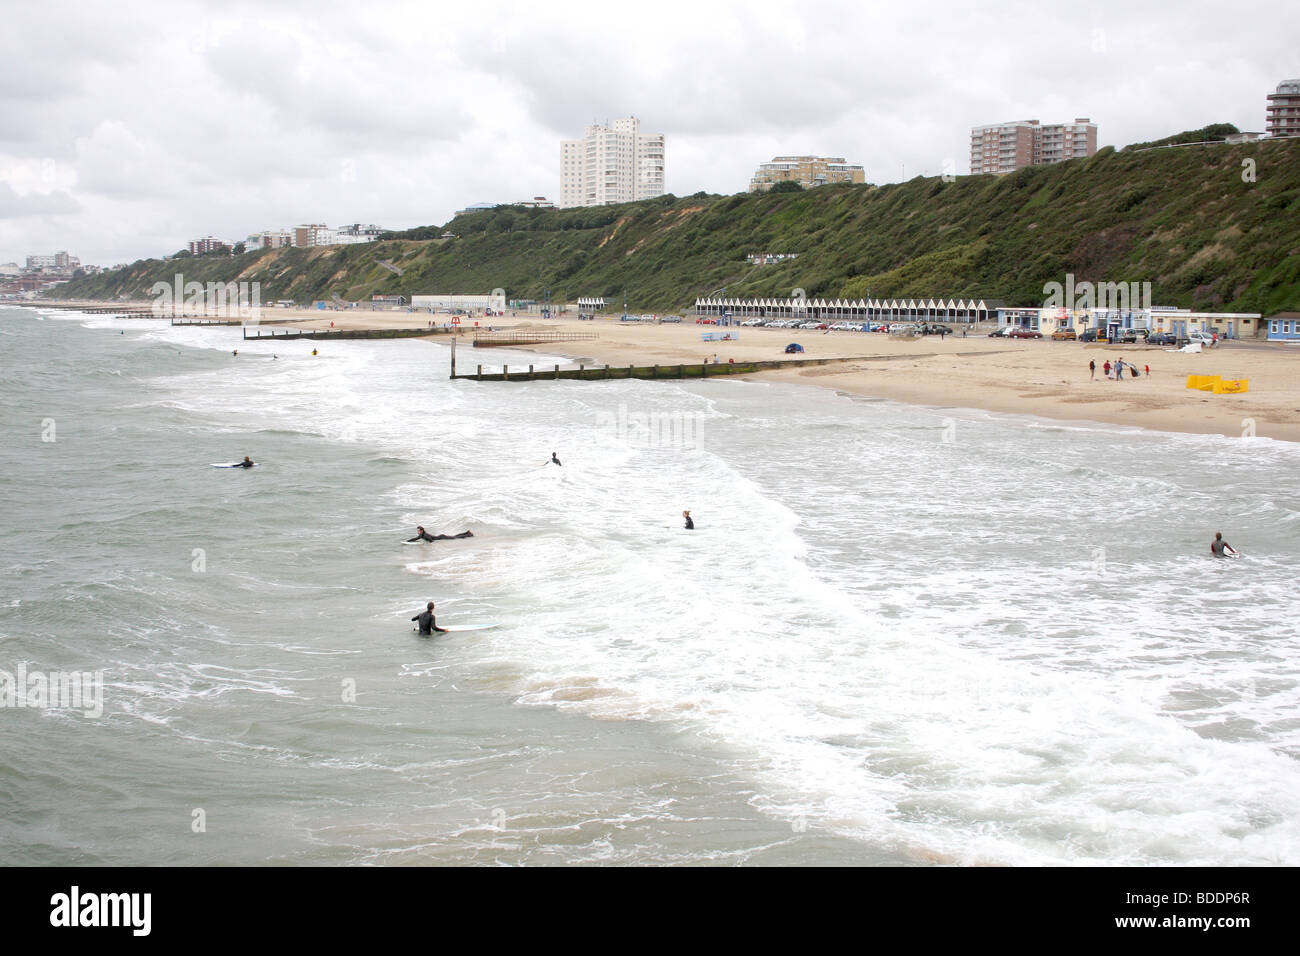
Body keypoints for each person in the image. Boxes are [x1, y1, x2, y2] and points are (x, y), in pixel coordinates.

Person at [406, 526, 473, 542]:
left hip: (442, 537)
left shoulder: (425, 535)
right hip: (441, 537)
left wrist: (428, 546)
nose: (418, 532)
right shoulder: (422, 534)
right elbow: (416, 538)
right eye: (417, 531)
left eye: (419, 531)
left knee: (455, 538)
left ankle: (469, 535)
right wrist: (409, 540)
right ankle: (467, 532)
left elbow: (431, 541)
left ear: (422, 530)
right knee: (455, 536)